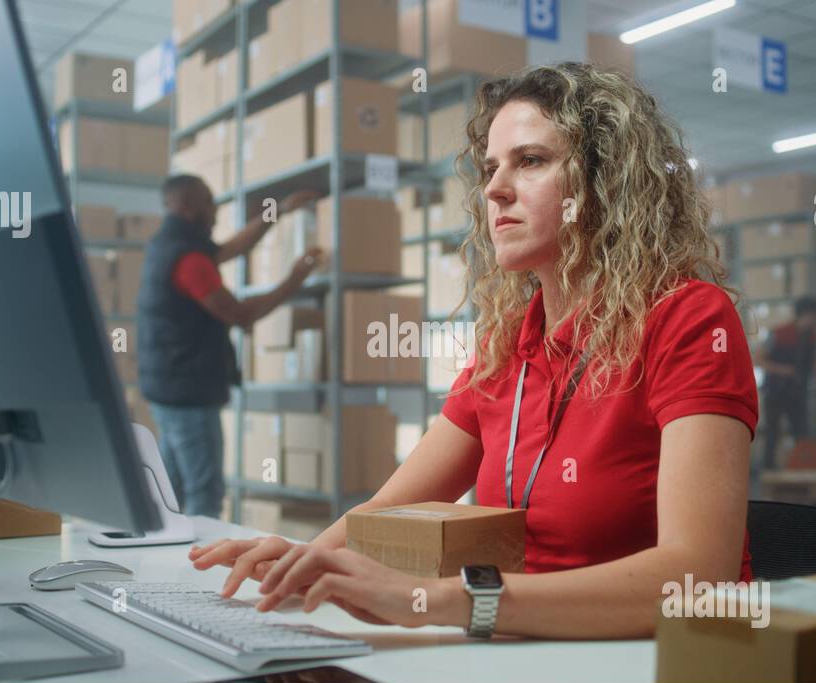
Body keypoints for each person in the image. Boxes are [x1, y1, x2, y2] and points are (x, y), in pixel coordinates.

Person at [189, 63, 759, 639]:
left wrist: (439, 600)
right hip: (525, 651)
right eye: (490, 168)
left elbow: (697, 576)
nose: (494, 189)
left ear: (606, 179)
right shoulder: (506, 341)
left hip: (661, 658)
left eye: (531, 161)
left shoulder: (687, 318)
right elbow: (391, 508)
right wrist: (301, 560)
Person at [137, 174, 322, 518]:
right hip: (187, 395)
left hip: (166, 389)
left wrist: (278, 211)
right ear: (185, 205)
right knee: (205, 491)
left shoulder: (169, 244)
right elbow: (241, 314)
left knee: (172, 487)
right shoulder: (188, 259)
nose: (216, 212)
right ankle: (200, 567)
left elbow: (232, 248)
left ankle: (165, 554)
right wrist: (295, 279)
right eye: (209, 202)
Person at [757, 295, 816, 470]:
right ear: (804, 314)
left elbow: (815, 362)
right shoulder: (779, 333)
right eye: (814, 316)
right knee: (773, 432)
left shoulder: (811, 337)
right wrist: (784, 371)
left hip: (798, 392)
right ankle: (768, 470)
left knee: (801, 432)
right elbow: (759, 360)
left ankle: (803, 469)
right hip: (775, 391)